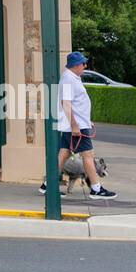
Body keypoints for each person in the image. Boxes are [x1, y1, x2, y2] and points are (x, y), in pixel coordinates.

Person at [39, 51, 116, 200]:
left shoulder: (72, 77)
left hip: (77, 124)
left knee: (63, 154)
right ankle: (96, 189)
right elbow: (66, 104)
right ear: (75, 65)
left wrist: (86, 120)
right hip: (75, 127)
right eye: (83, 63)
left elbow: (76, 103)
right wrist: (75, 125)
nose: (85, 66)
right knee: (88, 155)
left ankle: (48, 185)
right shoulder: (69, 79)